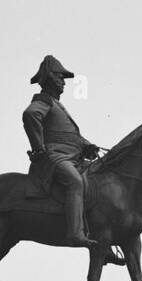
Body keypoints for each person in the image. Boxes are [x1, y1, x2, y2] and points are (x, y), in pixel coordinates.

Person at [22, 55, 99, 247]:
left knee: (98, 179)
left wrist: (86, 145)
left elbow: (68, 135)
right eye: (60, 77)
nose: (63, 82)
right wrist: (39, 149)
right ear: (49, 78)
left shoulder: (57, 104)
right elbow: (30, 115)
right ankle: (75, 234)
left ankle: (101, 238)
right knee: (75, 182)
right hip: (55, 158)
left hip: (72, 157)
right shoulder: (45, 101)